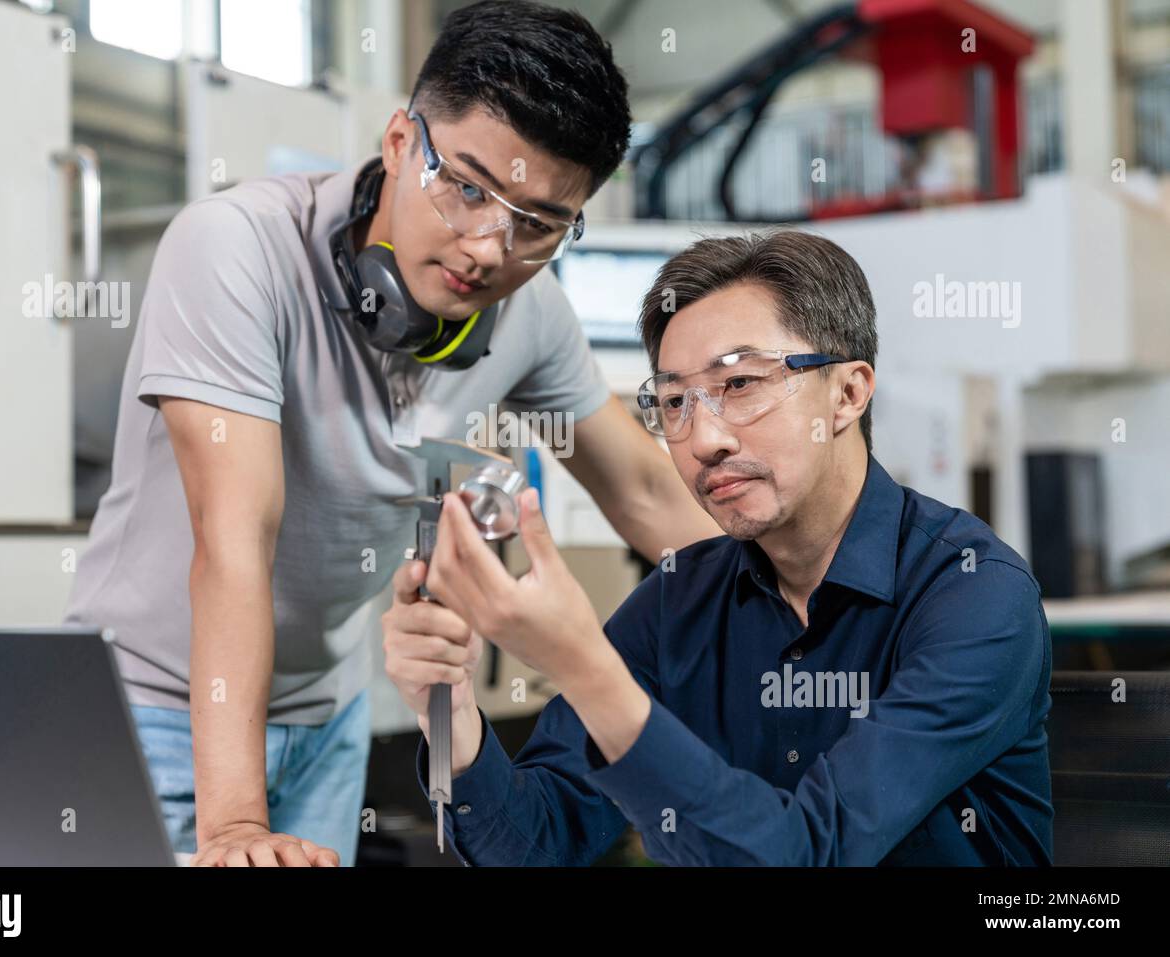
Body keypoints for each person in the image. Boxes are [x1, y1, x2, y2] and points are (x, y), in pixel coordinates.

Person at [63, 0, 719, 867]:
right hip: (156, 712)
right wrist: (235, 826)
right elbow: (235, 537)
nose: (488, 249)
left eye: (536, 224)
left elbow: (642, 490)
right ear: (402, 143)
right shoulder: (236, 250)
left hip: (326, 719)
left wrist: (811, 623)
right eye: (468, 189)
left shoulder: (528, 314)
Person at [383, 230, 1054, 866]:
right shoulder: (678, 601)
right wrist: (450, 714)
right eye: (675, 402)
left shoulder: (975, 594)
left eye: (740, 385)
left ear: (848, 393)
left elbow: (810, 850)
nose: (704, 439)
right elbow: (536, 846)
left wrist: (582, 664)